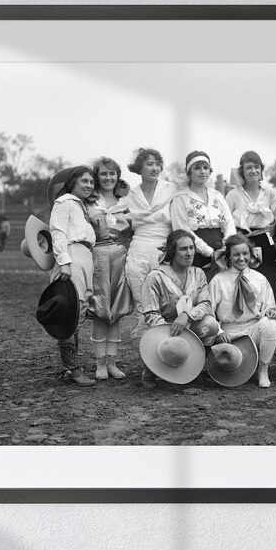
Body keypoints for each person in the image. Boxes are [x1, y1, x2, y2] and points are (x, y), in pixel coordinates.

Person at [138, 229, 222, 388]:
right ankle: (152, 368)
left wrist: (186, 316)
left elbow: (206, 304)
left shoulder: (198, 274)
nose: (189, 253)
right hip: (160, 328)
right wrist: (169, 331)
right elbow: (150, 313)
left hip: (188, 324)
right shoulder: (155, 277)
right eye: (183, 249)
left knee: (211, 324)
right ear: (172, 251)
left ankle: (192, 365)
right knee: (166, 343)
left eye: (192, 248)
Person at [85, 158, 135, 381]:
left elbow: (133, 229)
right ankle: (100, 363)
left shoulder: (125, 201)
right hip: (97, 255)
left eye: (112, 174)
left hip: (119, 254)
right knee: (100, 309)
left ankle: (113, 362)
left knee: (116, 310)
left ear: (118, 176)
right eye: (104, 174)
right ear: (97, 176)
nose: (108, 178)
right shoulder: (88, 200)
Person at [208, 234, 276, 388]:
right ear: (228, 256)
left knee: (271, 325)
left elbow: (269, 306)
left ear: (251, 254)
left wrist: (270, 313)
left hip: (253, 329)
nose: (241, 258)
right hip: (229, 333)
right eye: (236, 254)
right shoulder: (218, 280)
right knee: (232, 361)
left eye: (245, 253)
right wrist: (219, 332)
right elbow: (209, 312)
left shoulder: (260, 279)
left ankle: (263, 369)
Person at [48, 165, 98, 386]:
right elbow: (57, 231)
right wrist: (64, 261)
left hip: (85, 256)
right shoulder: (65, 202)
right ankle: (73, 369)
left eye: (91, 182)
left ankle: (69, 368)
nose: (89, 185)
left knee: (80, 312)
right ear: (72, 182)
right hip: (72, 255)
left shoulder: (81, 206)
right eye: (84, 181)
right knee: (70, 313)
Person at [124, 148, 178, 331]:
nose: (155, 168)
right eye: (149, 164)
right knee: (140, 294)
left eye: (157, 164)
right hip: (138, 246)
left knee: (165, 295)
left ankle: (167, 342)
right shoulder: (130, 195)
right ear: (140, 168)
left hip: (163, 244)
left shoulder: (171, 189)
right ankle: (147, 342)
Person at [170, 151, 236, 281]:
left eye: (206, 167)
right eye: (197, 168)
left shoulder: (217, 195)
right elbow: (182, 230)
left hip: (222, 252)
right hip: (196, 253)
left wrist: (225, 247)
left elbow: (229, 222)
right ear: (189, 172)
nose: (202, 171)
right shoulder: (180, 198)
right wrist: (209, 252)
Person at [225, 150, 276, 294]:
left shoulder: (270, 193)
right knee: (246, 283)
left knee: (271, 280)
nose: (253, 171)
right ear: (242, 171)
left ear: (261, 169)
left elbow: (273, 218)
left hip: (265, 241)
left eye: (257, 167)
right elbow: (226, 222)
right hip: (242, 241)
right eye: (249, 167)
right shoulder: (233, 195)